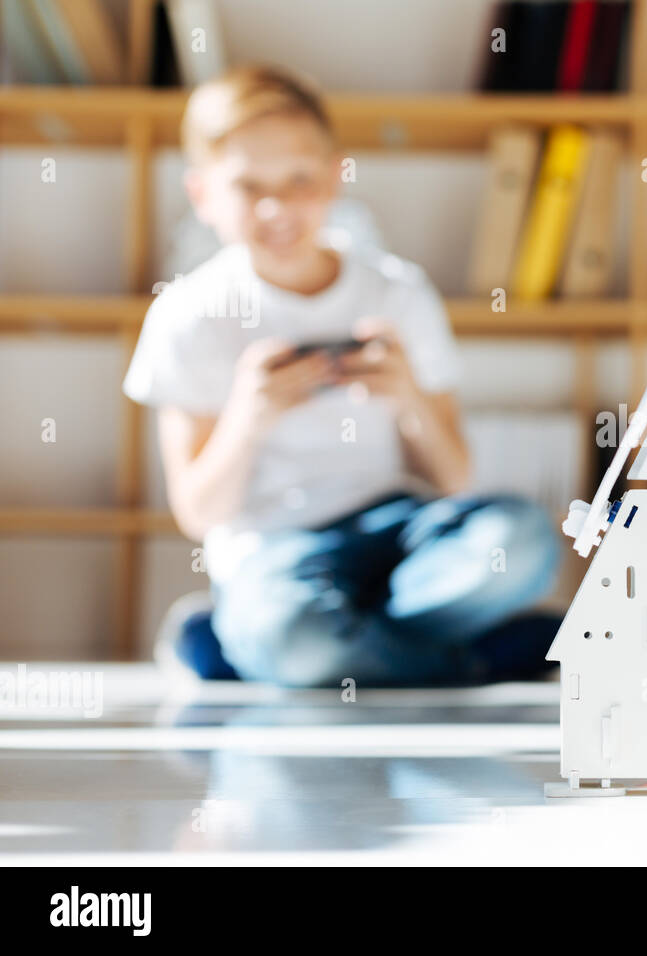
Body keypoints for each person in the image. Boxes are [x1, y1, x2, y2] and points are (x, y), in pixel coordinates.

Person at [123, 65, 560, 687]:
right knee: (293, 630)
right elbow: (198, 512)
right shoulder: (186, 315)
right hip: (276, 551)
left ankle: (257, 649)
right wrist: (249, 418)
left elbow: (454, 478)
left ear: (335, 177)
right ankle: (478, 657)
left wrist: (408, 396)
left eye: (299, 179)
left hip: (400, 536)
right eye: (249, 186)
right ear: (204, 197)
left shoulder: (397, 291)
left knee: (520, 542)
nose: (277, 207)